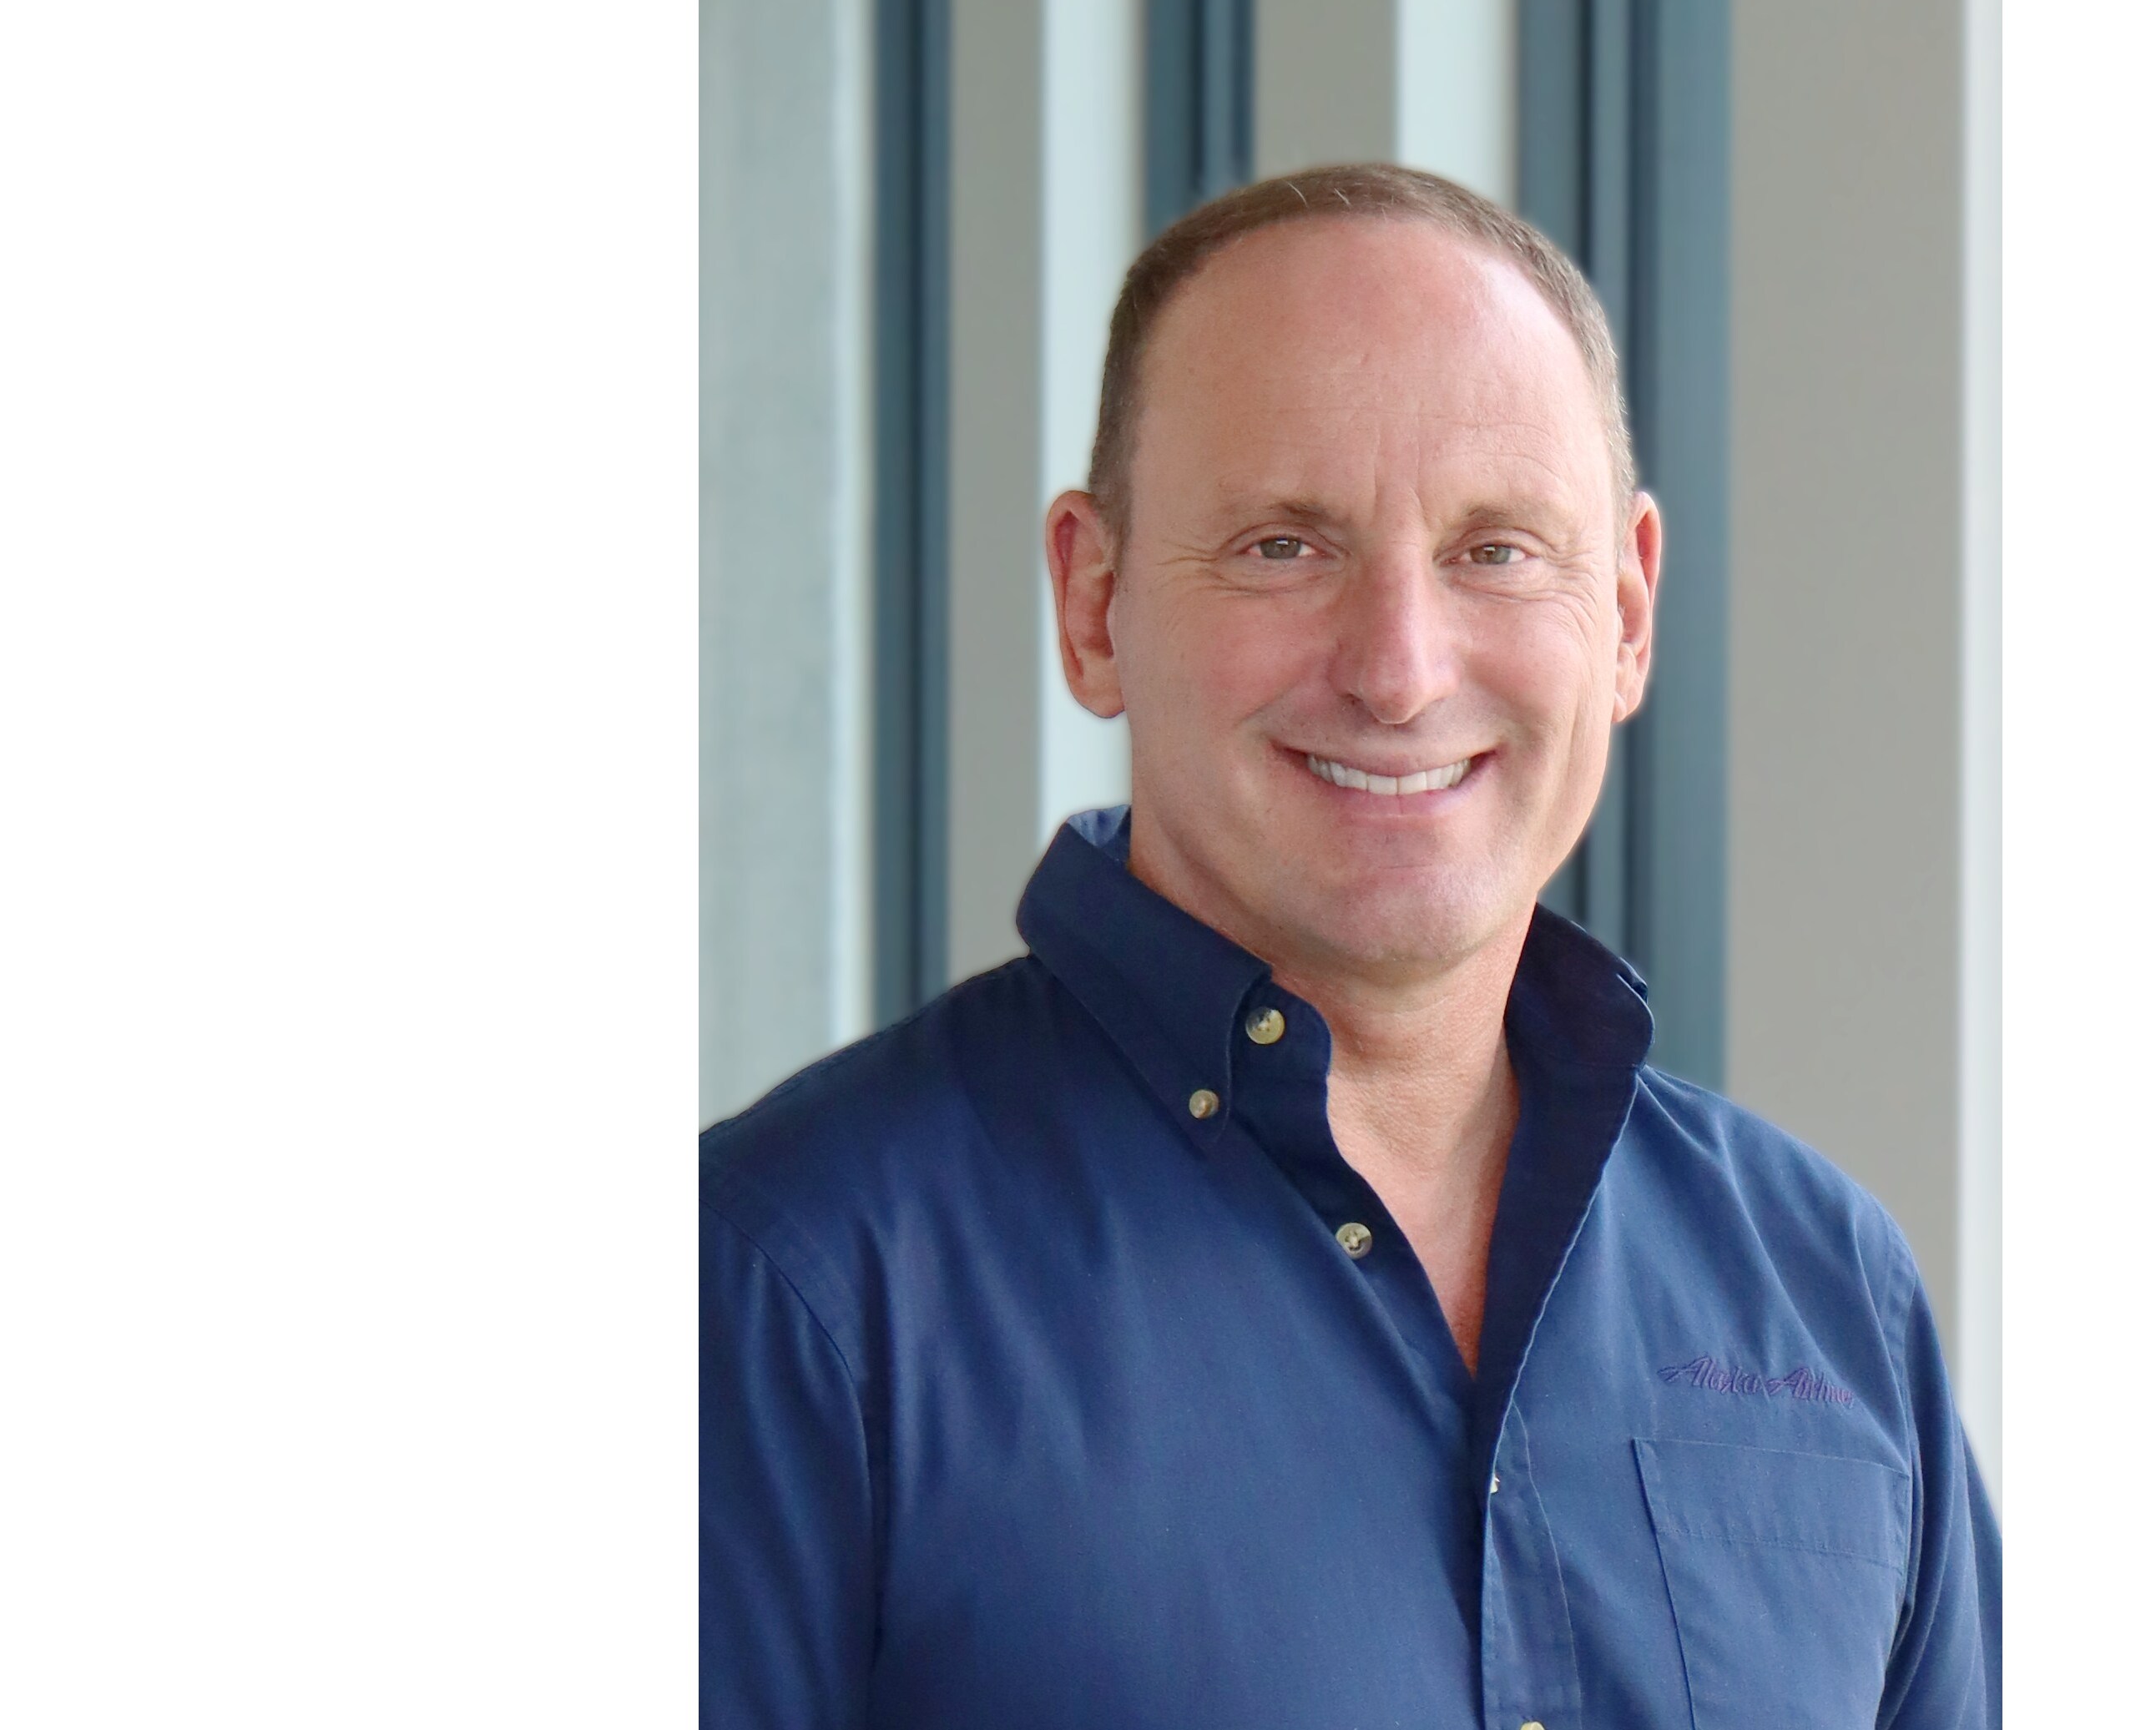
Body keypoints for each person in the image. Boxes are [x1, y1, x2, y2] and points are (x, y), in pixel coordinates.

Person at [703, 163, 1998, 1727]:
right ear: (1097, 605)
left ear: (1629, 612)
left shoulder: (1827, 1291)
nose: (1399, 668)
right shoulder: (780, 1290)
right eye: (1283, 545)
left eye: (1497, 549)